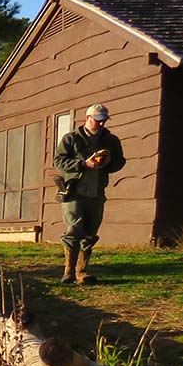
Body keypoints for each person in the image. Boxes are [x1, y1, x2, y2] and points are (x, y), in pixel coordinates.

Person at [53, 103, 126, 284]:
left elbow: (120, 162)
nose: (101, 124)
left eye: (104, 120)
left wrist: (108, 163)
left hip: (96, 192)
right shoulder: (71, 138)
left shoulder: (111, 141)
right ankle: (68, 272)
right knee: (74, 229)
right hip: (73, 191)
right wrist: (83, 164)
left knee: (91, 231)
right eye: (98, 120)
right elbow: (59, 161)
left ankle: (82, 272)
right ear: (87, 118)